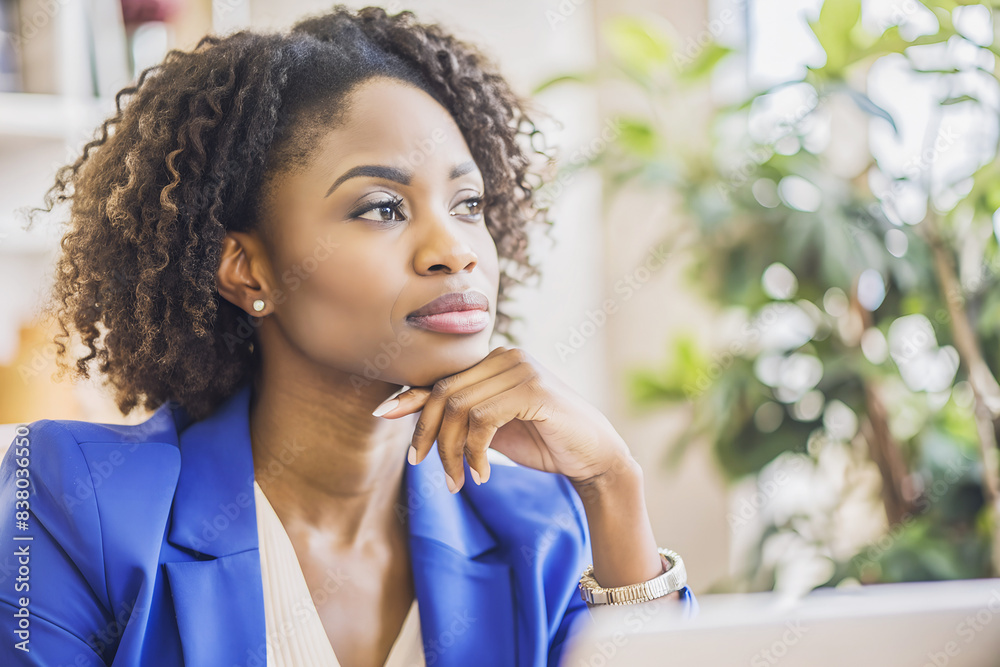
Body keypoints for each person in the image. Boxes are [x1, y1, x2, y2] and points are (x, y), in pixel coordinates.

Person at [0, 5, 697, 666]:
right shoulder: (75, 499)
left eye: (468, 203)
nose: (455, 250)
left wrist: (612, 483)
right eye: (383, 207)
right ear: (245, 269)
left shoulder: (534, 524)